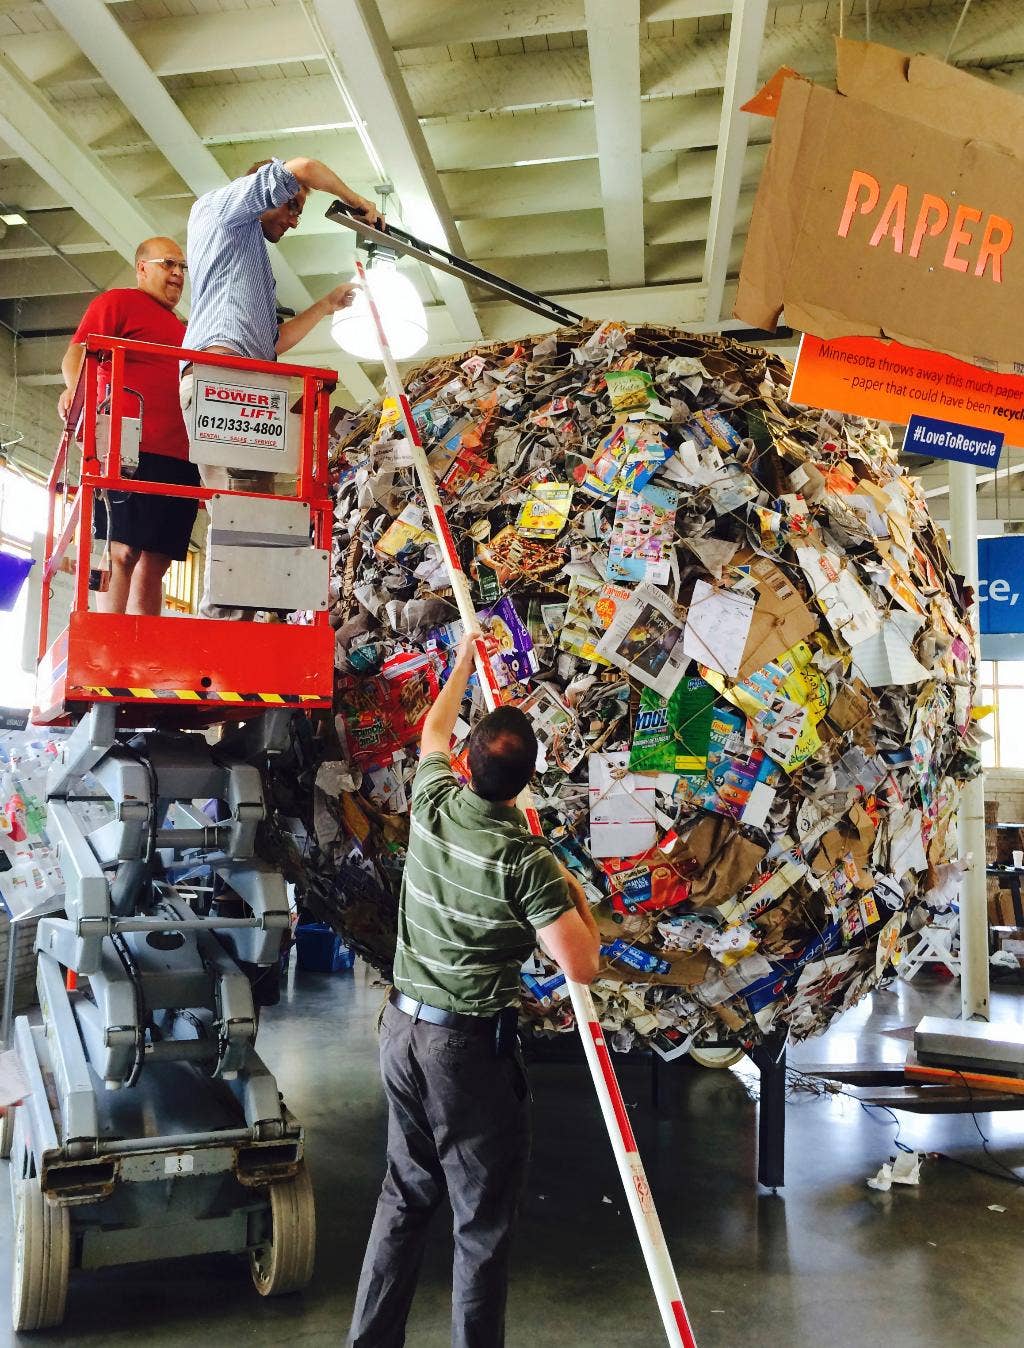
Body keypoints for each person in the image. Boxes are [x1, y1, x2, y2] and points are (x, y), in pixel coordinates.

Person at [348, 634, 600, 1348]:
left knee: (403, 1198)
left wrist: (461, 662)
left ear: (465, 762)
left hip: (400, 1032)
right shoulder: (527, 861)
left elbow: (432, 728)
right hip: (466, 1054)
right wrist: (573, 888)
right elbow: (582, 965)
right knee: (480, 1224)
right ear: (526, 785)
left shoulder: (432, 803)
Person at [60, 238, 197, 616]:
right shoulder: (118, 302)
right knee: (121, 549)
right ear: (141, 268)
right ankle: (109, 650)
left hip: (183, 455)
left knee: (158, 561)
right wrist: (77, 396)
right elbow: (76, 355)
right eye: (168, 263)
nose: (177, 273)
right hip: (130, 446)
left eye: (182, 267)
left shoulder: (185, 331)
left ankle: (140, 660)